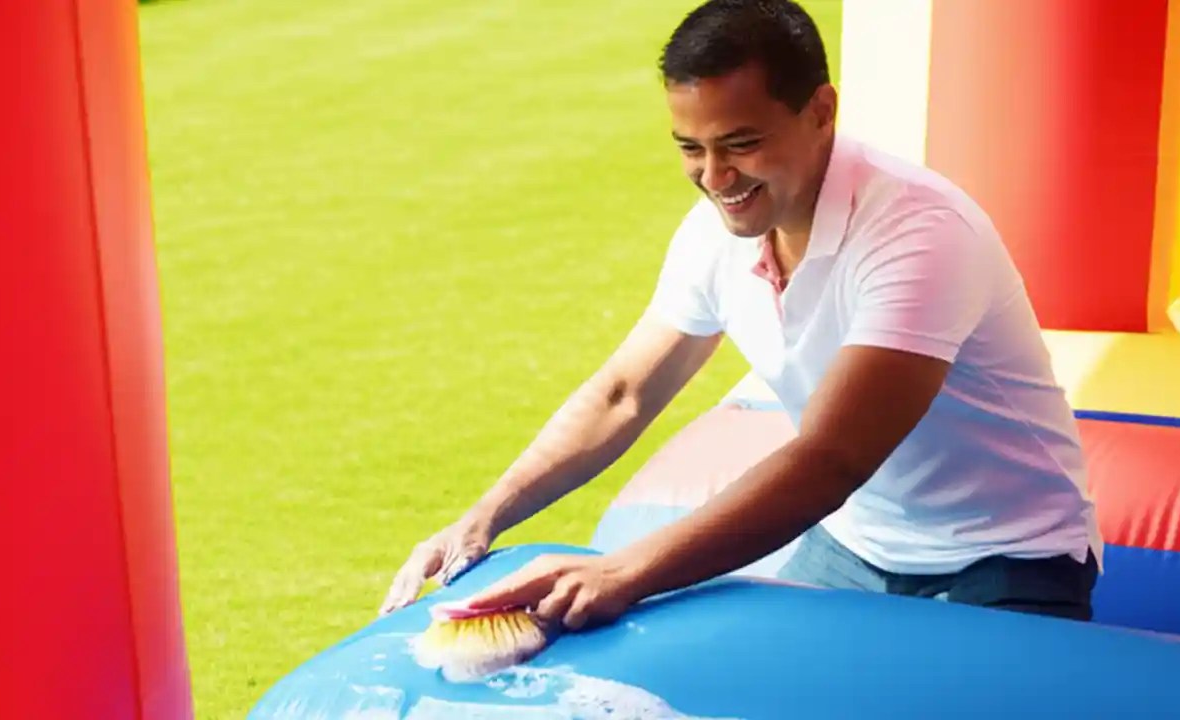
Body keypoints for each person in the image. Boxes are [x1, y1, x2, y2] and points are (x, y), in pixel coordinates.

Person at [379, 0, 1102, 629]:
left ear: (822, 111)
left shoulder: (921, 235)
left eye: (742, 144)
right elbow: (625, 394)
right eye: (691, 149)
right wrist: (483, 517)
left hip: (1010, 554)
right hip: (857, 543)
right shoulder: (715, 235)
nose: (715, 179)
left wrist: (624, 572)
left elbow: (831, 458)